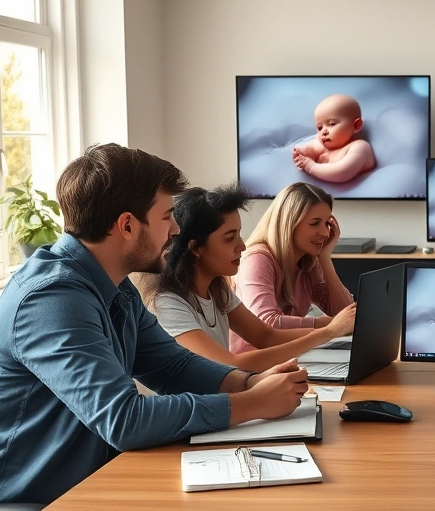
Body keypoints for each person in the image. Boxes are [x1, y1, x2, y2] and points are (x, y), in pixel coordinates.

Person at [0, 144, 310, 506]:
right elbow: (124, 421)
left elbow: (173, 366)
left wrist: (251, 382)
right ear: (127, 225)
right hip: (17, 498)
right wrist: (253, 403)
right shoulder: (50, 299)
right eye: (166, 217)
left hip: (85, 480)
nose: (175, 229)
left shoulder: (113, 283)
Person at [142, 184, 357, 372]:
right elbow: (229, 365)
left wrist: (330, 330)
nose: (243, 246)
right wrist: (328, 331)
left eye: (239, 234)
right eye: (229, 238)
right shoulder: (167, 304)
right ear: (196, 248)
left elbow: (266, 337)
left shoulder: (218, 289)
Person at [232, 182, 354, 353]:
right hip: (252, 367)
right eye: (314, 223)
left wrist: (325, 258)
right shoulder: (257, 259)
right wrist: (332, 325)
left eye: (327, 223)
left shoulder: (308, 263)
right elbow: (267, 323)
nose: (326, 233)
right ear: (289, 223)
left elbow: (344, 312)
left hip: (287, 359)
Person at [292, 93, 376, 183]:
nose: (324, 132)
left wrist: (311, 166)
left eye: (332, 124)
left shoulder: (360, 147)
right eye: (320, 128)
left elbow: (343, 172)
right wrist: (304, 152)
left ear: (356, 126)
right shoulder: (323, 143)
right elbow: (313, 148)